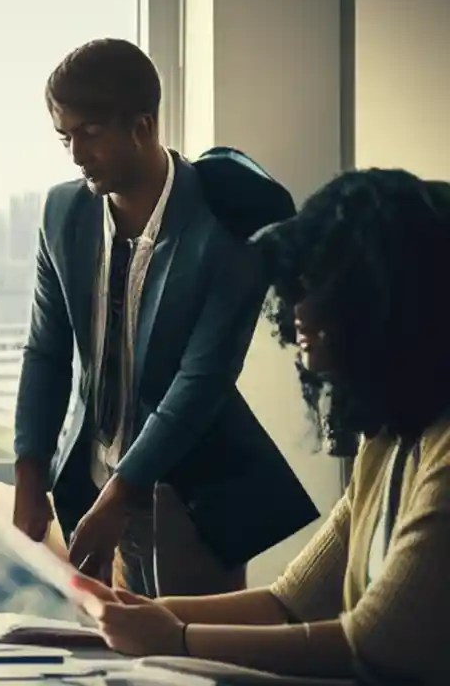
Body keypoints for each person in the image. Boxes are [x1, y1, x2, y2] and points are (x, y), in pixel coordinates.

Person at [73, 169, 450, 685]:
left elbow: (370, 644)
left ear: (384, 298)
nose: (295, 307)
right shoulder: (388, 442)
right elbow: (289, 602)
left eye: (316, 283)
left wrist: (174, 638)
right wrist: (134, 613)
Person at [12, 38, 317, 596]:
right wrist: (30, 473)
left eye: (90, 133)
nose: (76, 154)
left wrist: (120, 497)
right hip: (90, 479)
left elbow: (203, 378)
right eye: (65, 136)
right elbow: (47, 351)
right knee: (110, 667)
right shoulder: (63, 212)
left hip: (191, 485)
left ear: (143, 125)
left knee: (190, 664)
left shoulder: (223, 221)